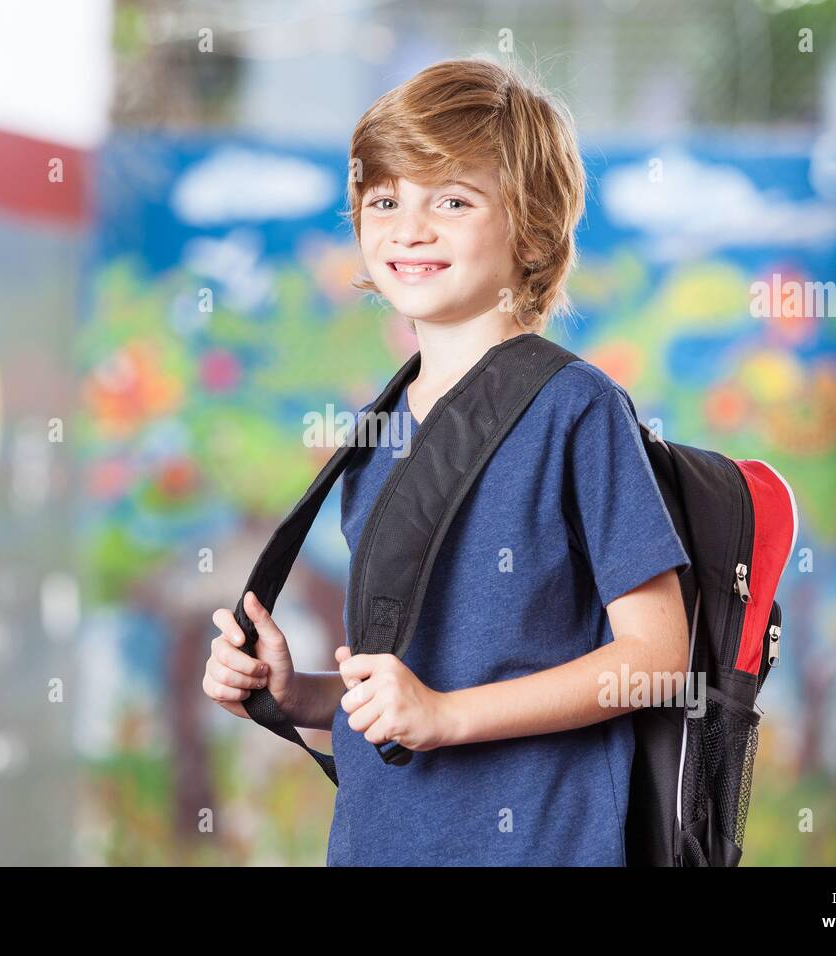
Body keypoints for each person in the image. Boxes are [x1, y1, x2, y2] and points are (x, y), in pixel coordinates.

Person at [203, 57, 692, 866]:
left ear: (532, 229)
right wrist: (296, 695)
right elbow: (408, 690)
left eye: (453, 201)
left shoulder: (576, 410)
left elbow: (657, 660)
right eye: (384, 200)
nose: (409, 229)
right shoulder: (377, 430)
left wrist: (446, 717)